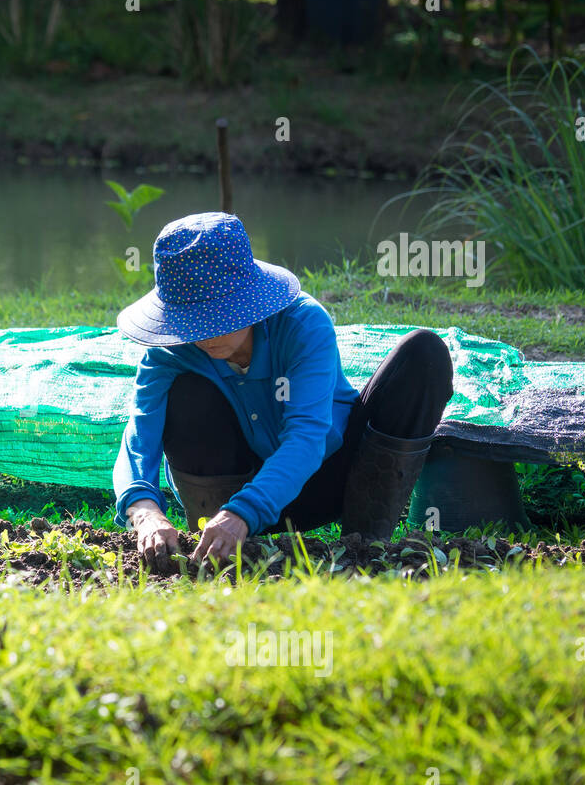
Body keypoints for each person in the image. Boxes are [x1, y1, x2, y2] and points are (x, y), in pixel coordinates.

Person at [113, 211, 454, 571]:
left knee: (423, 353)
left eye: (215, 318)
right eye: (192, 322)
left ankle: (365, 545)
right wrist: (144, 510)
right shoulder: (172, 350)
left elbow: (306, 436)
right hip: (228, 506)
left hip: (331, 479)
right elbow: (140, 433)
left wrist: (245, 512)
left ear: (247, 301)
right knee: (186, 392)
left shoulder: (302, 324)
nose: (203, 335)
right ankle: (215, 547)